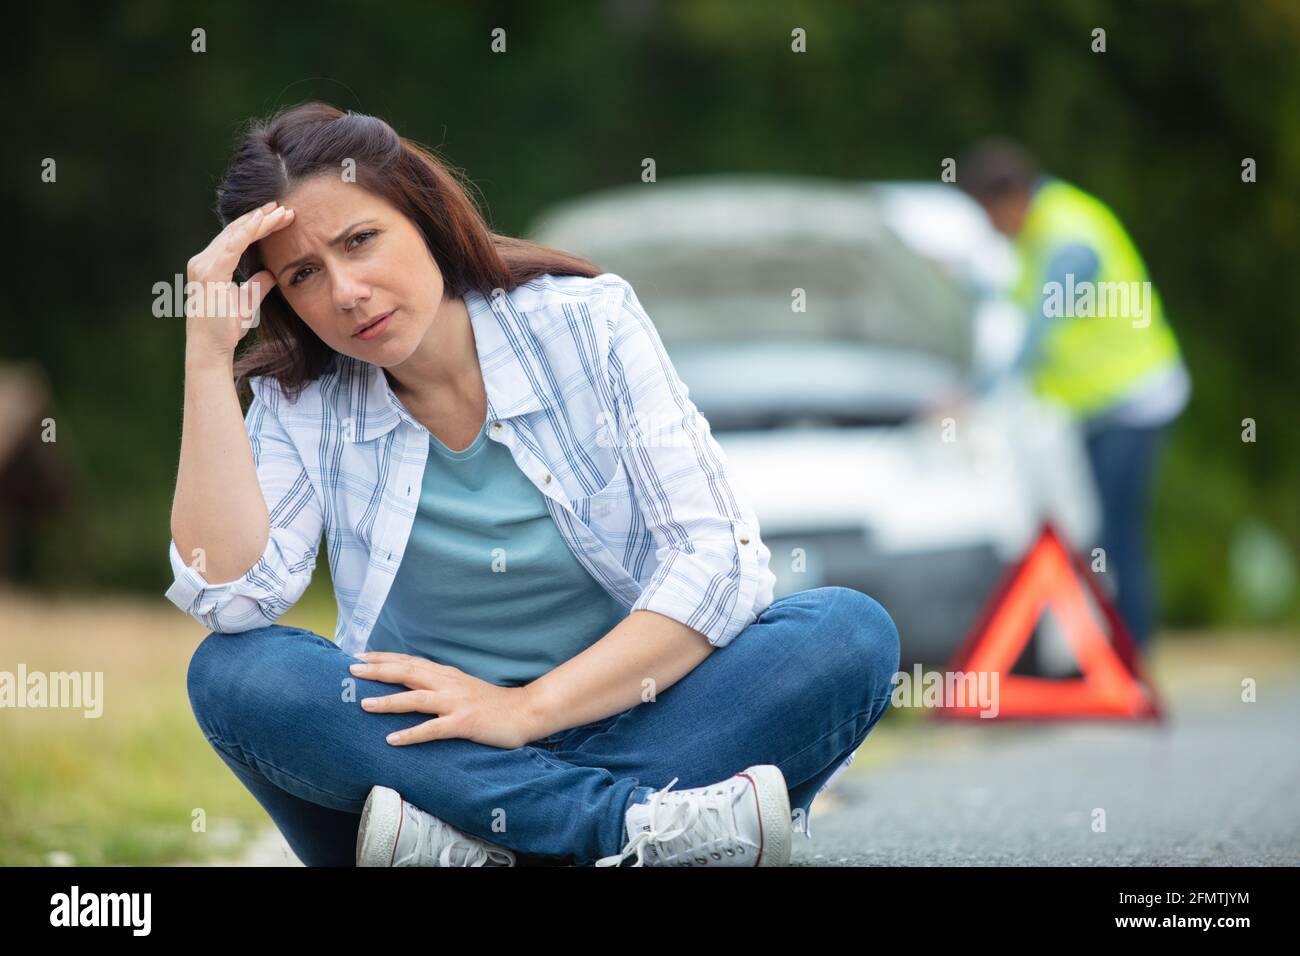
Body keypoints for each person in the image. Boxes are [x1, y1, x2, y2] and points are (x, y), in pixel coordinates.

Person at [167, 101, 900, 867]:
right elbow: (233, 596)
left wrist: (523, 711)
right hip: (431, 760)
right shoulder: (301, 402)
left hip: (637, 718)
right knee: (235, 672)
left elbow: (719, 562)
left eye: (361, 240)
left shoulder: (586, 325)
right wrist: (206, 358)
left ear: (422, 216)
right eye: (304, 274)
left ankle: (500, 848)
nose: (346, 291)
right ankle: (626, 835)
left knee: (847, 633)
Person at [956, 138, 1190, 651]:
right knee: (1100, 527)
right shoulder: (1041, 232)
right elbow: (1015, 300)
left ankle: (1133, 656)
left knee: (1115, 529)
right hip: (1097, 408)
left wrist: (976, 395)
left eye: (988, 216)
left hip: (1135, 400)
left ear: (1008, 200)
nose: (992, 230)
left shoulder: (1068, 238)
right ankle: (1114, 650)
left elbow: (1039, 329)